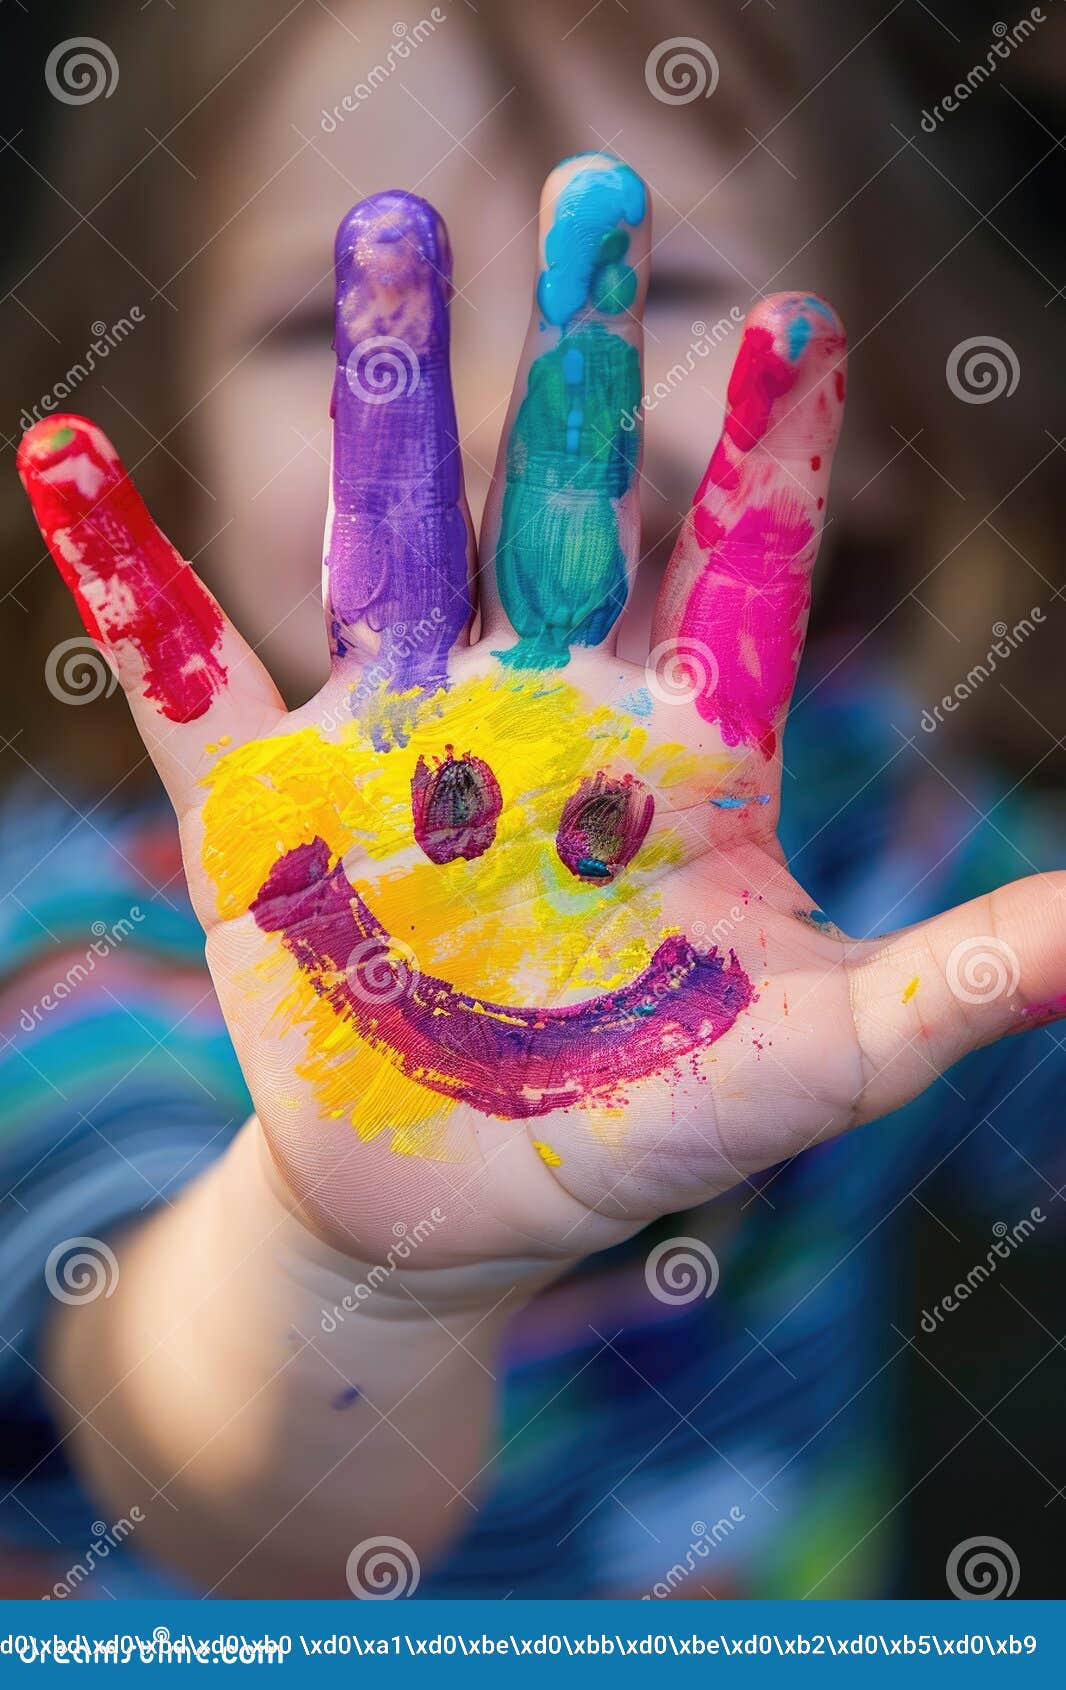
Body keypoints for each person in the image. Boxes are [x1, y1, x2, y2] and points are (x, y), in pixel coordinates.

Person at [1, 1, 1062, 1600]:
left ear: (888, 414)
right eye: (334, 327)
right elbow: (229, 1480)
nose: (508, 415)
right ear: (179, 446)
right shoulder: (92, 949)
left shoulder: (875, 831)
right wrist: (355, 1264)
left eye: (670, 287)